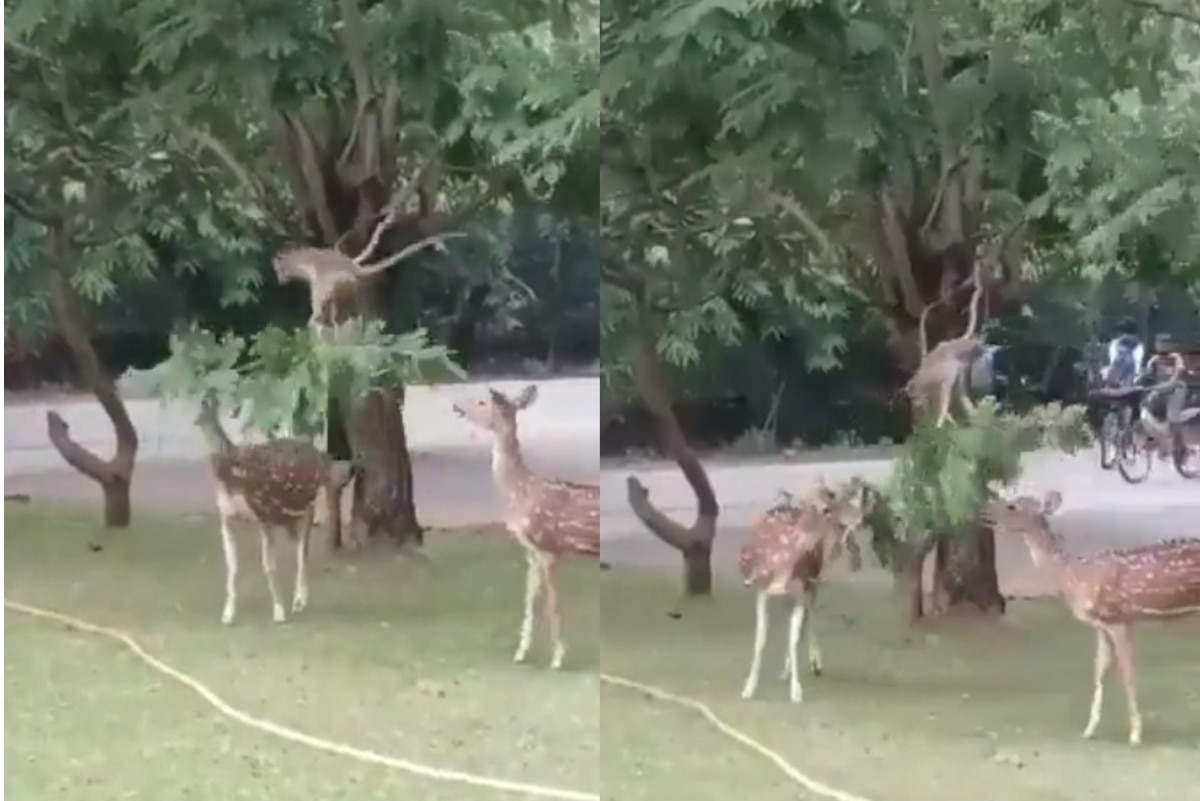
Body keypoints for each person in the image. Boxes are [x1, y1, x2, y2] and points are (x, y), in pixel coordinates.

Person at [1102, 317, 1145, 388]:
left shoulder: (1115, 344)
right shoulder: (1139, 345)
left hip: (1117, 380)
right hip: (1134, 379)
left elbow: (1113, 363)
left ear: (1120, 332)